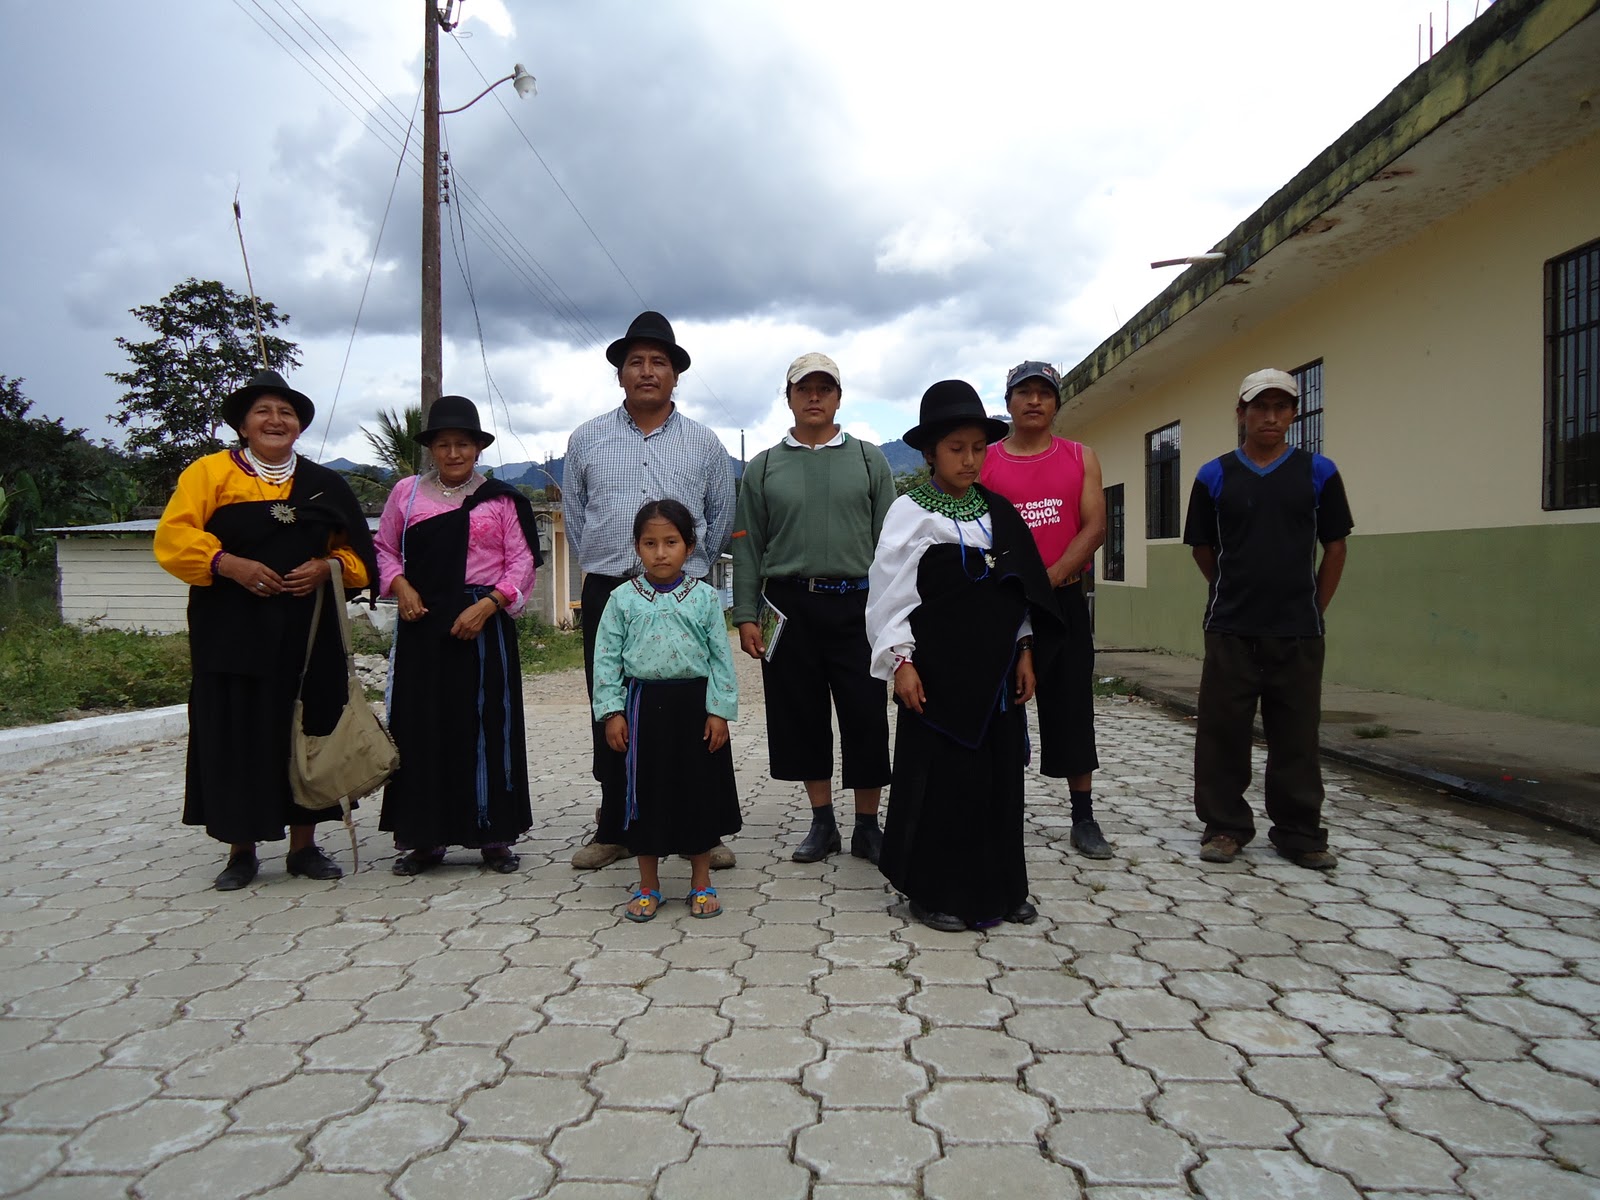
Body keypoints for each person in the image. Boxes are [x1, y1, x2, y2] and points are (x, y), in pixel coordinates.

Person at [154, 369, 376, 891]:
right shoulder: (207, 475)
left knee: (309, 730)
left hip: (308, 635)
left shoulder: (326, 484)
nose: (275, 421)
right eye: (263, 412)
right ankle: (241, 849)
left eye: (286, 413)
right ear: (243, 425)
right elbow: (173, 539)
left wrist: (328, 568)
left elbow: (362, 558)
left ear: (299, 426)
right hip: (231, 633)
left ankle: (304, 847)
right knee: (237, 731)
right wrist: (228, 564)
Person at [866, 380, 1062, 932]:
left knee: (999, 779)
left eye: (978, 447)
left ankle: (1003, 886)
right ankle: (930, 890)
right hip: (936, 676)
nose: (969, 459)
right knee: (941, 783)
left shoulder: (997, 513)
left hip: (996, 676)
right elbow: (888, 596)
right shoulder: (908, 514)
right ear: (930, 452)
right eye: (956, 448)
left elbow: (1018, 590)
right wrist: (901, 662)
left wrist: (1024, 649)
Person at [563, 311, 737, 871]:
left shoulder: (705, 444)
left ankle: (700, 832)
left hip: (684, 599)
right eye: (635, 362)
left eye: (658, 362)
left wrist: (688, 577)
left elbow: (717, 516)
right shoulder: (586, 439)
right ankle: (615, 825)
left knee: (693, 713)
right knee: (613, 708)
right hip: (611, 593)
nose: (646, 371)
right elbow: (573, 515)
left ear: (675, 374)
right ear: (620, 374)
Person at [1183, 368, 1353, 870]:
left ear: (1294, 415)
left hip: (1298, 631)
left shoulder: (1319, 472)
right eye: (1260, 407)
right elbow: (1201, 547)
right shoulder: (1214, 476)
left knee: (1297, 735)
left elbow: (1336, 546)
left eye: (1282, 408)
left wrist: (1312, 607)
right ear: (1241, 413)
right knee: (1222, 732)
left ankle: (1299, 832)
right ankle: (1225, 827)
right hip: (1231, 628)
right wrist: (1229, 589)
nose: (1271, 417)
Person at [731, 353, 897, 864]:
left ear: (840, 398)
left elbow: (891, 545)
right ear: (789, 398)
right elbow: (748, 544)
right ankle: (822, 822)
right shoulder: (763, 467)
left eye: (825, 388)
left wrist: (895, 616)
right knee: (800, 716)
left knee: (865, 714)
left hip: (858, 605)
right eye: (805, 388)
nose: (815, 397)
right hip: (788, 607)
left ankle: (868, 825)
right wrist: (744, 614)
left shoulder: (869, 460)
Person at [375, 395, 543, 876]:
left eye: (463, 444)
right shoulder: (404, 495)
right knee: (422, 727)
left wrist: (489, 605)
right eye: (444, 445)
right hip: (421, 622)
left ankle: (494, 835)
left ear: (477, 449)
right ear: (432, 449)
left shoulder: (502, 499)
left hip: (482, 627)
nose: (453, 453)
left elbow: (521, 564)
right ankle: (424, 839)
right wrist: (401, 586)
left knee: (488, 725)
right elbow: (385, 549)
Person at [978, 360, 1112, 859]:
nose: (1034, 401)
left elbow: (1094, 528)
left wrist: (1049, 579)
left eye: (1044, 393)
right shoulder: (987, 460)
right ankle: (994, 808)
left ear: (1057, 402)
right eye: (1024, 393)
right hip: (1002, 601)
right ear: (1008, 402)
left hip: (1063, 598)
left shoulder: (1081, 457)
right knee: (998, 706)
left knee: (1073, 705)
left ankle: (1084, 816)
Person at [591, 499, 741, 920]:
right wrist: (612, 711)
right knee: (645, 796)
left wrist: (719, 712)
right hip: (641, 710)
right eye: (650, 543)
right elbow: (606, 659)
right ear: (637, 547)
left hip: (694, 710)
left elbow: (720, 659)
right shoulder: (621, 599)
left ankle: (700, 882)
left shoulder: (706, 599)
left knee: (696, 793)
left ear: (689, 546)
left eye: (671, 542)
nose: (660, 552)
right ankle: (648, 885)